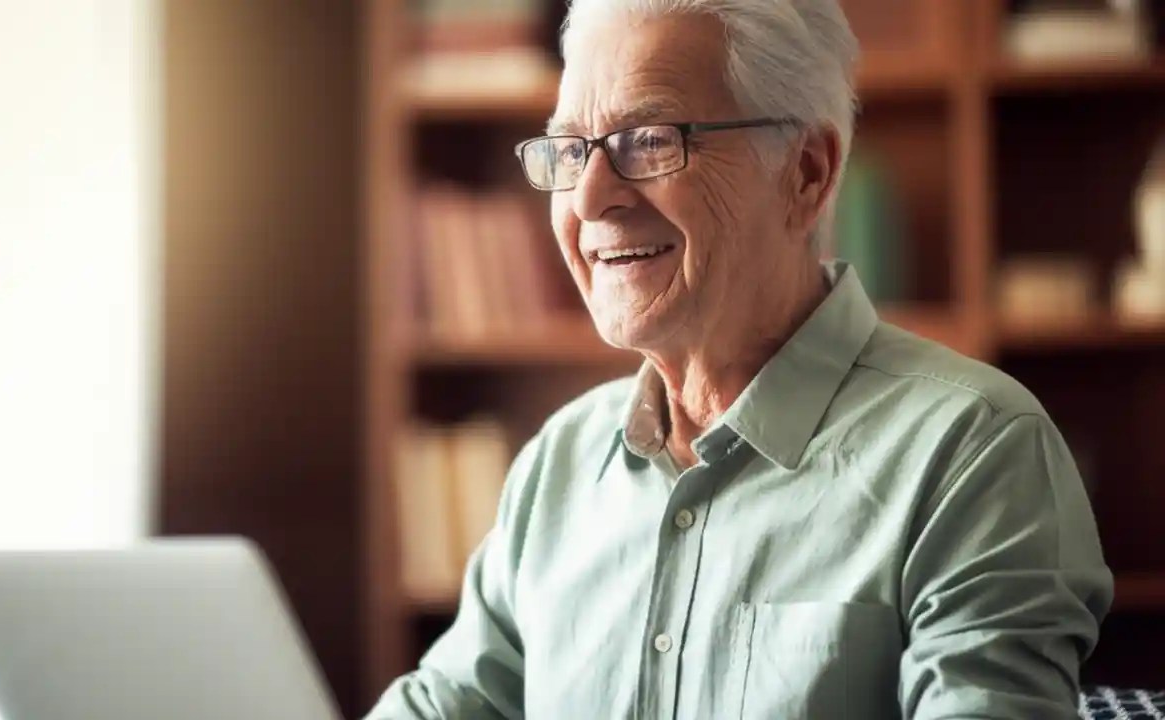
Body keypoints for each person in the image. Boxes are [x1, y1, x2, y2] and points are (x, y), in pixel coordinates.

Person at [366, 1, 1112, 717]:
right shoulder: (558, 462)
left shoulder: (975, 452)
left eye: (650, 140)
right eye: (571, 149)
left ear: (807, 174)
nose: (590, 197)